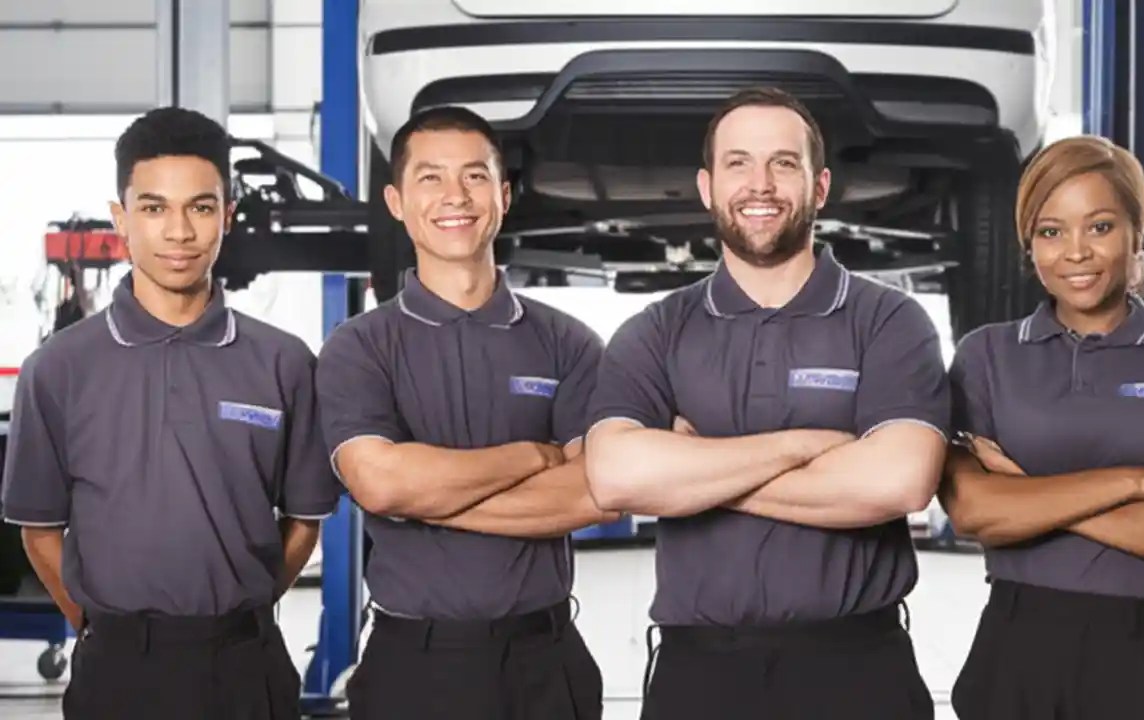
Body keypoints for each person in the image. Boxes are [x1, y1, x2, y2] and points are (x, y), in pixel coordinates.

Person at [586, 87, 948, 719]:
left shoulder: (888, 319)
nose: (761, 184)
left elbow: (902, 481)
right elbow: (614, 476)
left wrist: (694, 469)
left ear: (821, 185)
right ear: (706, 187)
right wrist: (805, 446)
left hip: (859, 669)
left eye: (784, 163)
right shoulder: (657, 330)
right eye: (738, 163)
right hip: (698, 677)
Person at [0, 107, 339, 719]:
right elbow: (39, 532)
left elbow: (304, 520)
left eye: (201, 207)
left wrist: (240, 614)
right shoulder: (57, 369)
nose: (178, 232)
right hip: (118, 671)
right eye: (154, 208)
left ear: (227, 216)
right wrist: (109, 629)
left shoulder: (284, 363)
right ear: (120, 219)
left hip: (246, 667)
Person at [942, 135, 1144, 720]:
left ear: (1136, 233)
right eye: (1051, 231)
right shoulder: (986, 357)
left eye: (1099, 227)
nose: (1076, 252)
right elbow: (975, 513)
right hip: (1014, 650)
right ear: (1030, 245)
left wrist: (1029, 493)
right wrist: (1142, 482)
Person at [316, 106, 614, 720]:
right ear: (396, 201)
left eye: (475, 176)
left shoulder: (569, 343)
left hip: (546, 662)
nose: (455, 196)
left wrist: (429, 498)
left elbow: (596, 494)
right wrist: (535, 457)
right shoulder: (359, 346)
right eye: (431, 178)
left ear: (502, 196)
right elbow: (381, 482)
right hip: (415, 665)